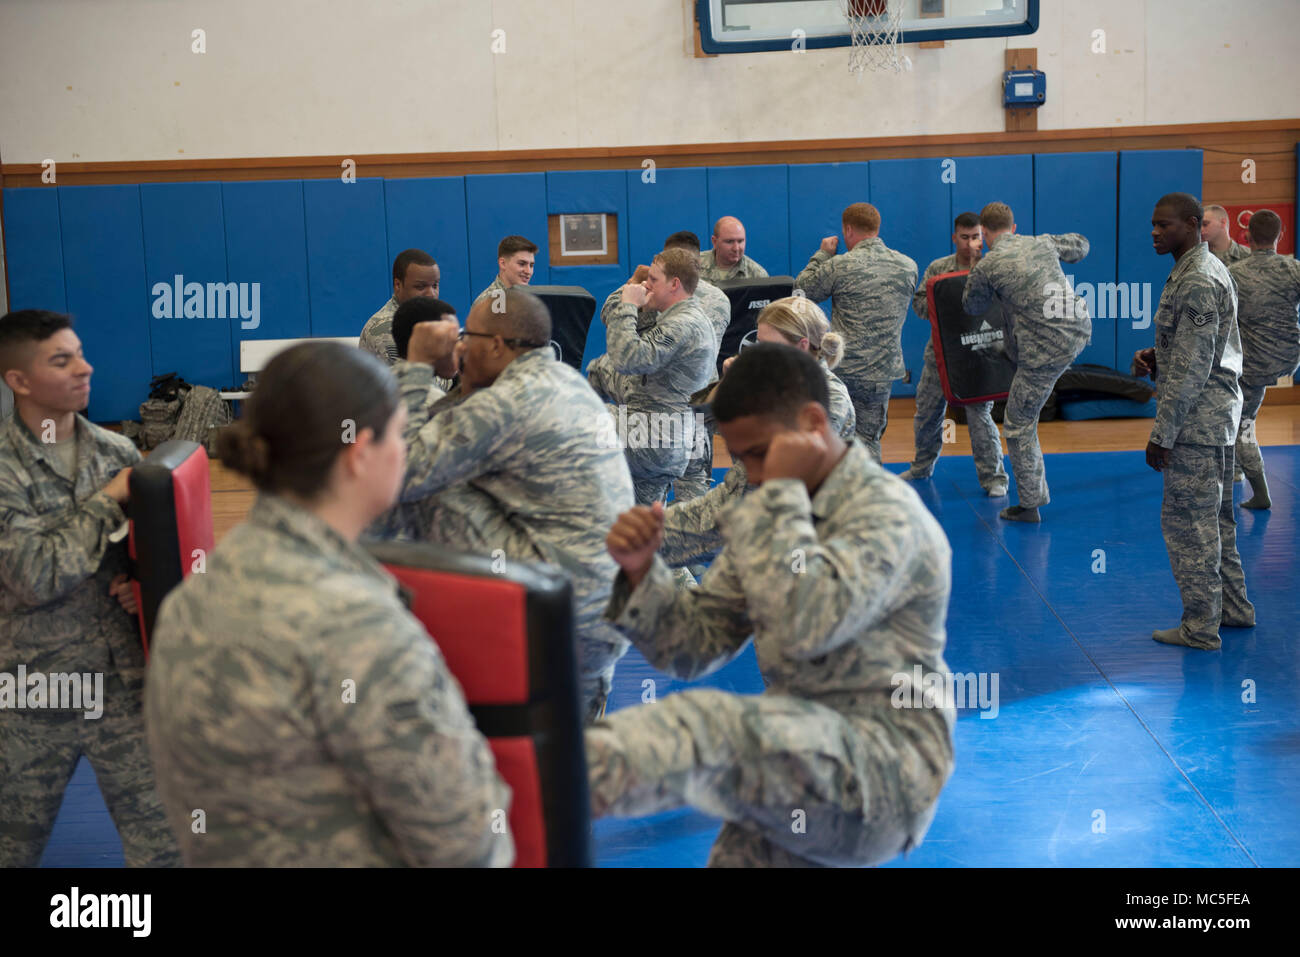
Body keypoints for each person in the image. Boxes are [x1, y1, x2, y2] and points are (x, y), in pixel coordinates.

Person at [146, 341, 513, 866]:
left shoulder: (196, 596)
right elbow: (468, 841)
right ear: (360, 452)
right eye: (400, 433)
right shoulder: (357, 624)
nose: (405, 450)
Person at [587, 344, 954, 867]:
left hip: (882, 773)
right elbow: (694, 646)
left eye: (760, 454)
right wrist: (644, 572)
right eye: (740, 458)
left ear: (812, 421)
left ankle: (537, 787)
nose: (752, 473)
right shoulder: (773, 509)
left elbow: (806, 626)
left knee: (704, 728)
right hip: (799, 757)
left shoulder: (885, 516)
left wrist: (780, 493)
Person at [386, 289, 636, 722]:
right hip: (607, 624)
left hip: (553, 620)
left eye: (469, 337)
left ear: (497, 345)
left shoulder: (505, 402)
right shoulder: (565, 382)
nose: (461, 345)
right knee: (568, 768)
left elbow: (401, 472)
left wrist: (415, 367)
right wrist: (464, 381)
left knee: (428, 487)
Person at [0, 309, 179, 867]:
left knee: (165, 848)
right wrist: (106, 501)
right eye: (62, 360)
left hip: (124, 685)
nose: (85, 368)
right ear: (19, 381)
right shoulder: (4, 469)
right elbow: (35, 575)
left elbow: (139, 558)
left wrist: (138, 590)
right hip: (34, 692)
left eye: (79, 353)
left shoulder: (118, 454)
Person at [1132, 192, 1254, 651]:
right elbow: (1195, 348)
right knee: (1217, 522)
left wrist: (1162, 434)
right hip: (1215, 417)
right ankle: (1234, 610)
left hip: (1197, 426)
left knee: (1190, 527)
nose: (1155, 232)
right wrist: (1155, 356)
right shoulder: (1196, 270)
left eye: (1164, 225)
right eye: (1153, 224)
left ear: (1192, 224)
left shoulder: (1199, 278)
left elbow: (1193, 367)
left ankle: (1201, 627)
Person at [661, 296, 856, 570]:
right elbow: (702, 416)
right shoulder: (771, 379)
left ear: (800, 346)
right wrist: (730, 384)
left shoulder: (830, 399)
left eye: (766, 345)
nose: (757, 352)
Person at [962, 202, 1090, 522]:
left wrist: (982, 266)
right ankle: (1032, 497)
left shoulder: (988, 263)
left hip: (1043, 349)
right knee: (1011, 349)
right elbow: (1081, 246)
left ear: (986, 234)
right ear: (1014, 228)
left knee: (1018, 424)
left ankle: (1030, 505)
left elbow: (972, 306)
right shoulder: (1041, 241)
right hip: (1079, 330)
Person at [585, 249, 716, 506]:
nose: (647, 285)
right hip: (655, 435)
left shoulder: (683, 324)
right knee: (640, 524)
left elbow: (626, 359)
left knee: (573, 416)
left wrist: (629, 305)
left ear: (674, 284)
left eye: (654, 280)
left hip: (654, 436)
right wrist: (631, 291)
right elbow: (610, 318)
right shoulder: (673, 315)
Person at [795, 202, 917, 464]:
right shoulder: (908, 266)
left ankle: (836, 496)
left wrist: (822, 254)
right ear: (876, 228)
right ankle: (870, 497)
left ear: (848, 229)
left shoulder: (841, 265)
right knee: (869, 439)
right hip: (882, 372)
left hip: (845, 368)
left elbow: (802, 291)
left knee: (836, 437)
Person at [901, 213, 1008, 497]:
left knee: (979, 416)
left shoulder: (992, 266)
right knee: (927, 413)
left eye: (976, 237)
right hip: (942, 356)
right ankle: (922, 466)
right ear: (954, 237)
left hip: (979, 353)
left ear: (983, 236)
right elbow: (919, 306)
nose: (970, 243)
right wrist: (947, 301)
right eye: (964, 237)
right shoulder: (939, 268)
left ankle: (994, 478)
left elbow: (1006, 308)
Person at [1227, 209, 1300, 510]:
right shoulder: (1294, 268)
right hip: (1288, 358)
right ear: (1280, 236)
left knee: (1242, 423)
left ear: (1246, 236)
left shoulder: (1234, 273)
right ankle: (1235, 467)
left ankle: (1260, 493)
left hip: (1252, 366)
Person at [359, 249, 441, 364]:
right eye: (420, 287)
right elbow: (413, 380)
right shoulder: (388, 328)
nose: (431, 294)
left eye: (435, 285)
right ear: (398, 285)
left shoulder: (423, 320)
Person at [699, 216, 768, 281]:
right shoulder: (693, 265)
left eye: (740, 241)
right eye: (729, 241)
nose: (736, 248)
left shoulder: (757, 275)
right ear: (714, 241)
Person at [473, 235, 537, 306]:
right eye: (522, 264)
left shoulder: (534, 298)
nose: (528, 271)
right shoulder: (487, 302)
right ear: (503, 264)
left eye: (531, 265)